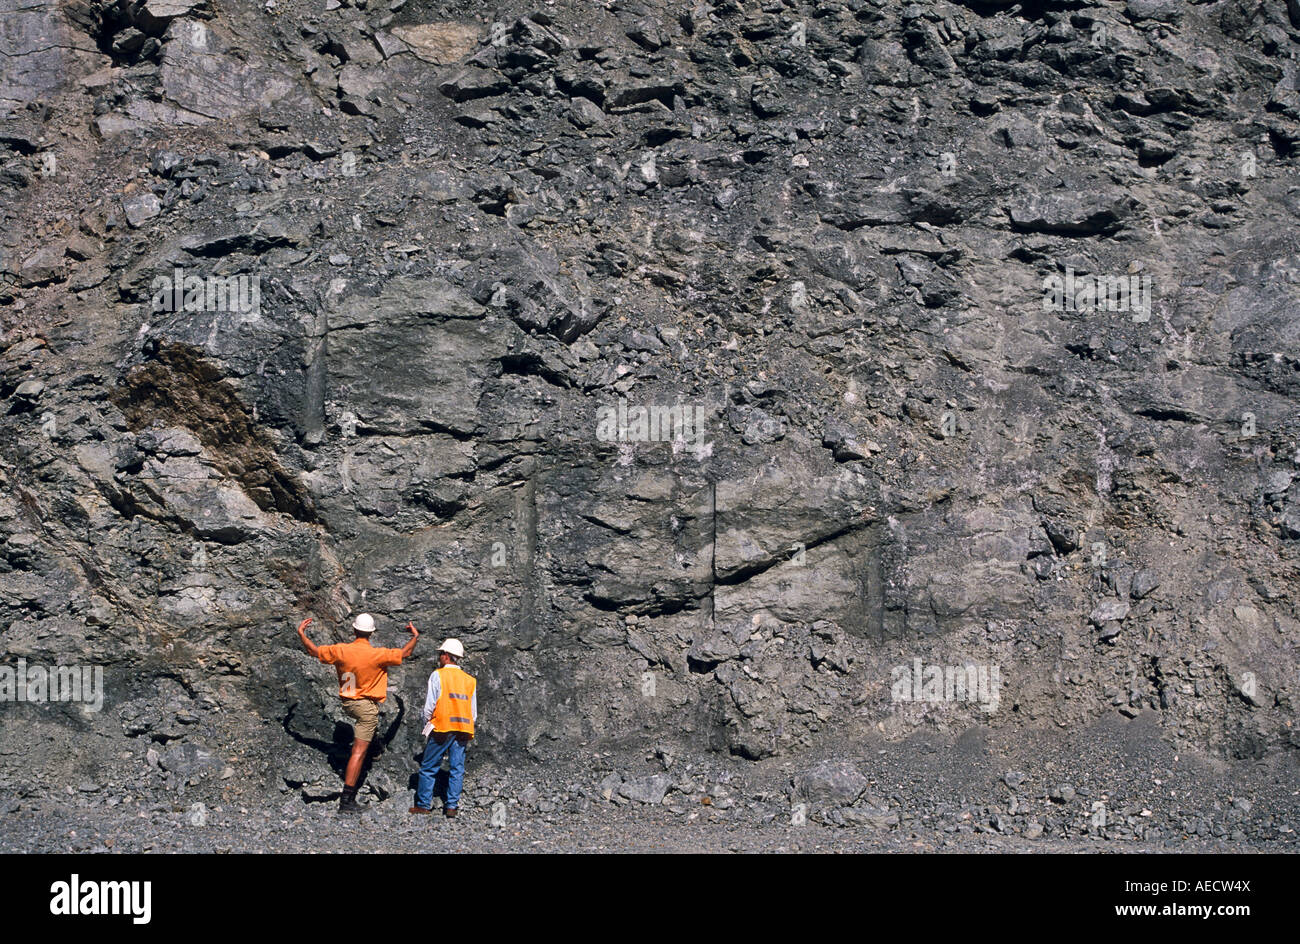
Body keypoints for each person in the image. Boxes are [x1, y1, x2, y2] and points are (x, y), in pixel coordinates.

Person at [297, 613, 418, 813]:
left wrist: (302, 633)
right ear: (371, 633)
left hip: (348, 703)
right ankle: (347, 801)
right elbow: (405, 653)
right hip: (366, 708)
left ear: (354, 630)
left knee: (367, 734)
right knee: (359, 751)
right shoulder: (377, 654)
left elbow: (313, 651)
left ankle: (374, 747)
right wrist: (415, 637)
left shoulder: (340, 650)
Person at [411, 638, 476, 819]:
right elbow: (473, 711)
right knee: (457, 768)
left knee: (428, 767)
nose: (439, 657)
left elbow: (429, 705)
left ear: (446, 656)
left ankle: (424, 805)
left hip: (442, 727)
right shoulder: (470, 680)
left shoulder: (438, 675)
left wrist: (428, 722)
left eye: (441, 654)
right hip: (463, 729)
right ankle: (452, 807)